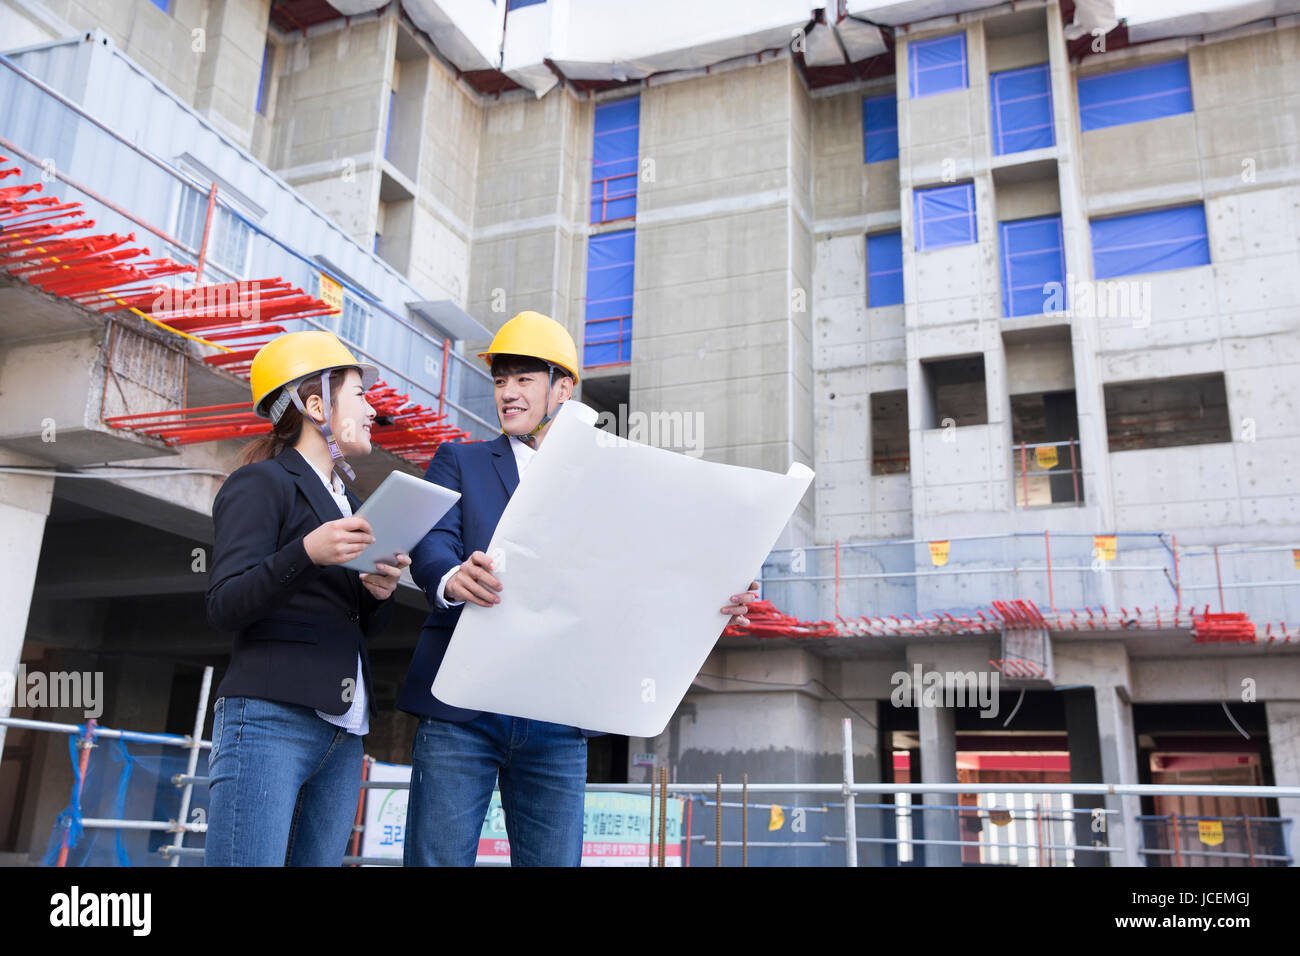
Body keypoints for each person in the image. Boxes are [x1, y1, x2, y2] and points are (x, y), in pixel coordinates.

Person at [399, 310, 757, 866]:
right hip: (461, 709)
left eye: (523, 380)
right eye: (500, 381)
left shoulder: (609, 476)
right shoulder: (461, 460)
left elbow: (654, 569)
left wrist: (715, 597)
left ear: (562, 389)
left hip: (556, 714)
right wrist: (450, 577)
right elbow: (431, 544)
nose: (508, 394)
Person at [205, 330, 411, 866]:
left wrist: (379, 593)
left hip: (342, 736)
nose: (372, 410)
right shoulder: (260, 484)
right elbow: (226, 602)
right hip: (270, 719)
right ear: (317, 406)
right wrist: (307, 552)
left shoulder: (355, 503)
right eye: (360, 394)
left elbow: (353, 624)